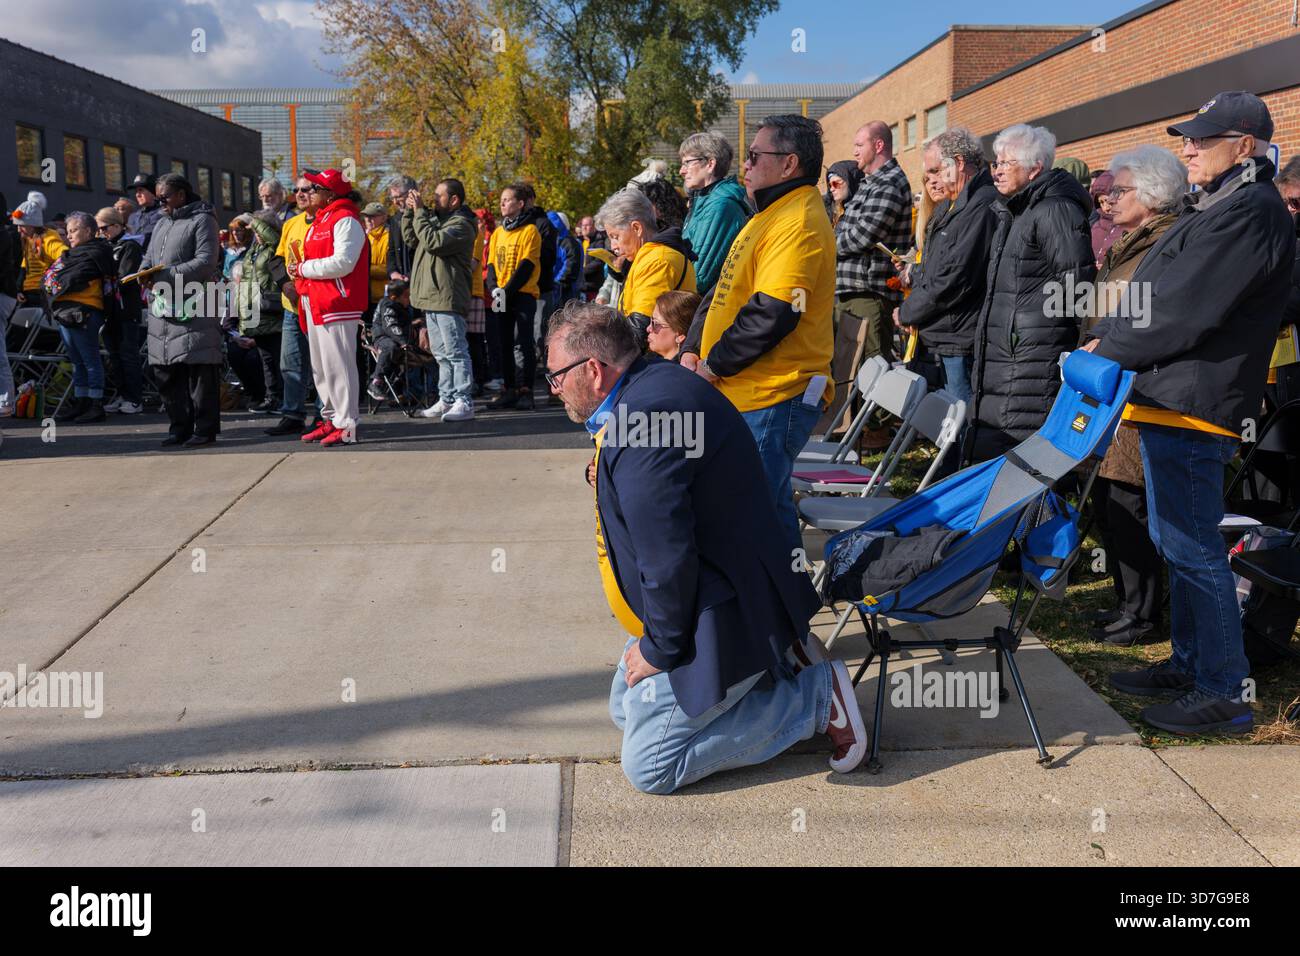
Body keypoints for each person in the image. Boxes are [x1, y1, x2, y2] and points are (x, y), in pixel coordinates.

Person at [545, 300, 867, 793]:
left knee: (649, 765)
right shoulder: (652, 387)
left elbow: (667, 558)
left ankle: (817, 700)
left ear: (593, 370)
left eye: (556, 376)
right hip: (720, 592)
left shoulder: (644, 423)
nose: (554, 389)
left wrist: (659, 649)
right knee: (622, 709)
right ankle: (773, 671)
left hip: (723, 612)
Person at [1085, 91, 1294, 736]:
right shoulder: (1227, 203)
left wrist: (1109, 345)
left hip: (1195, 400)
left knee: (1192, 544)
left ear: (1247, 146)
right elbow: (1161, 290)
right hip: (1170, 396)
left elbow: (1186, 306)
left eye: (1203, 139)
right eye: (1188, 138)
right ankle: (1188, 663)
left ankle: (1224, 691)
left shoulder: (1252, 210)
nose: (1189, 148)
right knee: (1175, 541)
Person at [680, 114, 836, 552]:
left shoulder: (799, 220)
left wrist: (712, 364)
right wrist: (692, 348)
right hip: (743, 391)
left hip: (772, 396)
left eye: (753, 156)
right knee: (755, 510)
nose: (743, 166)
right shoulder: (765, 215)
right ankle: (777, 611)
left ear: (789, 164)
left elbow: (774, 312)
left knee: (759, 515)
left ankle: (782, 615)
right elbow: (720, 291)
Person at [1077, 146, 1188, 648]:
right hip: (1110, 380)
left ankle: (1143, 613)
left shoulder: (1166, 241)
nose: (1108, 198)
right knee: (1107, 494)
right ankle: (1125, 602)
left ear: (1151, 193)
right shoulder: (1133, 239)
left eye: (1119, 190)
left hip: (1137, 386)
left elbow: (1151, 316)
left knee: (1129, 498)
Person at [966, 124, 1095, 464]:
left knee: (1018, 462)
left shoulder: (1054, 210)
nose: (996, 171)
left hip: (1029, 364)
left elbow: (1077, 287)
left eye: (1005, 163)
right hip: (1007, 360)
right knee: (994, 460)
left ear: (1034, 168)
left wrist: (1026, 335)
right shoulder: (1017, 210)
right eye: (995, 162)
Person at [821, 121, 913, 436]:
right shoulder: (872, 182)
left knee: (874, 363)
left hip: (870, 291)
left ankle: (879, 432)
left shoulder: (890, 182)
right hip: (850, 287)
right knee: (850, 366)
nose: (854, 151)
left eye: (859, 144)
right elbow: (847, 226)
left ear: (878, 146)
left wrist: (826, 245)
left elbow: (863, 234)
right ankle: (858, 430)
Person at [896, 127, 998, 409]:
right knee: (942, 419)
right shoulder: (952, 206)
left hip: (959, 336)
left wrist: (907, 311)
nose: (932, 179)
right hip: (942, 332)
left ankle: (959, 456)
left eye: (935, 170)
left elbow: (953, 278)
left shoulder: (980, 206)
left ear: (959, 163)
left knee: (958, 418)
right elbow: (933, 269)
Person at [142, 172, 222, 447]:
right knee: (166, 369)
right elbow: (149, 257)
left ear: (181, 195)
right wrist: (142, 272)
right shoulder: (161, 224)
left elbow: (206, 261)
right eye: (157, 197)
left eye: (164, 197)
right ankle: (180, 426)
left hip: (195, 303)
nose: (160, 202)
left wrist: (165, 276)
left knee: (199, 368)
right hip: (163, 305)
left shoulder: (202, 220)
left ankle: (205, 428)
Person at [293, 167, 370, 447]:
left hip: (338, 302)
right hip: (317, 300)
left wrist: (302, 268)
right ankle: (332, 419)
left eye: (314, 189)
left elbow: (344, 262)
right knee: (322, 368)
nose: (309, 193)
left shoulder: (346, 219)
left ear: (330, 193)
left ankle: (347, 424)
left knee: (340, 366)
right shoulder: (322, 220)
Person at [401, 178, 477, 422]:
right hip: (431, 298)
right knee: (441, 353)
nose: (433, 200)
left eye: (439, 196)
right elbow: (413, 239)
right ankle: (447, 398)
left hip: (448, 297)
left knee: (455, 351)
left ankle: (464, 400)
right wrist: (407, 212)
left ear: (454, 199)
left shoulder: (462, 225)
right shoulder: (436, 220)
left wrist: (420, 211)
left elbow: (433, 242)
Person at [595, 187, 696, 348]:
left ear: (637, 228)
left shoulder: (657, 260)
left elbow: (640, 329)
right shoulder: (647, 256)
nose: (613, 246)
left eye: (615, 237)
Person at [46, 211, 116, 423]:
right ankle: (81, 401)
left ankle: (96, 404)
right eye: (67, 232)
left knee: (90, 359)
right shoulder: (69, 255)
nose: (69, 236)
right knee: (76, 361)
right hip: (65, 311)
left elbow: (69, 278)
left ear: (88, 231)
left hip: (85, 311)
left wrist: (58, 280)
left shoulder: (97, 252)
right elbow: (50, 278)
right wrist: (56, 281)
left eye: (74, 230)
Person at [264, 174, 317, 437]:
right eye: (296, 190)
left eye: (306, 189)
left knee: (321, 364)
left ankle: (324, 413)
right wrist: (285, 283)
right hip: (292, 305)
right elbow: (278, 258)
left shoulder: (328, 222)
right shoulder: (292, 223)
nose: (300, 194)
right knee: (290, 362)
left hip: (318, 304)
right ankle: (293, 414)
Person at [486, 182, 543, 411]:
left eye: (507, 199)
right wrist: (493, 288)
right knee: (504, 342)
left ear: (520, 204)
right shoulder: (499, 232)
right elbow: (490, 264)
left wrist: (506, 291)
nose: (502, 203)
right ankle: (509, 388)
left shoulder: (530, 231)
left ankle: (526, 390)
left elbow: (526, 266)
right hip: (500, 294)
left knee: (524, 342)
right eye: (501, 200)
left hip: (522, 294)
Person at [228, 210, 287, 413]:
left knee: (278, 358)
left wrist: (254, 220)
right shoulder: (255, 248)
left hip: (273, 309)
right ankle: (271, 398)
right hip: (255, 310)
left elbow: (273, 238)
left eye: (258, 228)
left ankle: (282, 398)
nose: (255, 232)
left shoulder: (274, 245)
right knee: (267, 360)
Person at [679, 131, 751, 295]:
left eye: (688, 163)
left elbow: (700, 276)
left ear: (710, 164)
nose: (682, 171)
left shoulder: (720, 205)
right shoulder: (703, 200)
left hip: (710, 306)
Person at [94, 207, 146, 414]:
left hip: (126, 309)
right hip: (108, 309)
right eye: (99, 230)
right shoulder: (105, 246)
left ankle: (134, 398)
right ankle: (122, 394)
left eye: (104, 228)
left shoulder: (130, 245)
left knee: (127, 354)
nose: (102, 233)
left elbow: (126, 275)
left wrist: (107, 275)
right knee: (113, 355)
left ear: (117, 225)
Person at [1271, 155, 1300, 408]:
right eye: (1286, 202)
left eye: (1296, 202)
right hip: (1275, 376)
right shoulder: (1276, 238)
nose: (1291, 209)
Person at [13, 194, 68, 308]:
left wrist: (50, 283)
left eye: (21, 225)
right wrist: (18, 290)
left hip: (42, 295)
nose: (18, 230)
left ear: (33, 224)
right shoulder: (29, 239)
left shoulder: (48, 238)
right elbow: (24, 268)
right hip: (28, 294)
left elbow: (66, 256)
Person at [368, 279, 416, 399]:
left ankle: (401, 388)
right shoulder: (387, 305)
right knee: (390, 347)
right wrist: (402, 341)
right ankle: (376, 381)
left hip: (398, 339)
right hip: (382, 337)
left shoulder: (402, 306)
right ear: (394, 297)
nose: (409, 299)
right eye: (406, 296)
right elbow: (390, 325)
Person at [647, 289, 698, 362]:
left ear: (680, 336)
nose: (648, 329)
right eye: (650, 320)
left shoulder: (680, 372)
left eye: (655, 323)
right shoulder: (651, 363)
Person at [385, 175, 418, 281]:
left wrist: (410, 276)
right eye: (392, 198)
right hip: (400, 282)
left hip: (420, 280)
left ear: (411, 194)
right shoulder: (395, 220)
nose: (395, 202)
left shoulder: (426, 217)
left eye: (398, 197)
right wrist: (393, 272)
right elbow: (392, 251)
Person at [361, 202, 391, 308]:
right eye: (366, 216)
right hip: (365, 296)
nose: (368, 219)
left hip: (384, 297)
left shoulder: (390, 237)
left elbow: (390, 268)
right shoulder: (363, 235)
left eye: (372, 216)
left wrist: (363, 270)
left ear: (383, 218)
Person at [1089, 171, 1121, 268]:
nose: (1105, 208)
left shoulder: (1127, 226)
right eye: (1101, 202)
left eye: (1107, 201)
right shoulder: (1096, 228)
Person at [126, 174, 163, 250]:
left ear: (153, 192)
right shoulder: (132, 217)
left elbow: (146, 238)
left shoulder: (163, 213)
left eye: (141, 190)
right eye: (136, 191)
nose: (137, 195)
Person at [823, 160, 864, 226]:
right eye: (830, 185)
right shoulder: (835, 209)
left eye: (835, 183)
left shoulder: (863, 212)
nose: (831, 189)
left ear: (850, 182)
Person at [577, 215, 608, 300]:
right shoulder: (579, 242)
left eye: (587, 225)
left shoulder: (599, 242)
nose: (584, 228)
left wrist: (581, 272)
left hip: (592, 287)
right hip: (580, 287)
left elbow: (599, 262)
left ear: (594, 226)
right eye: (583, 225)